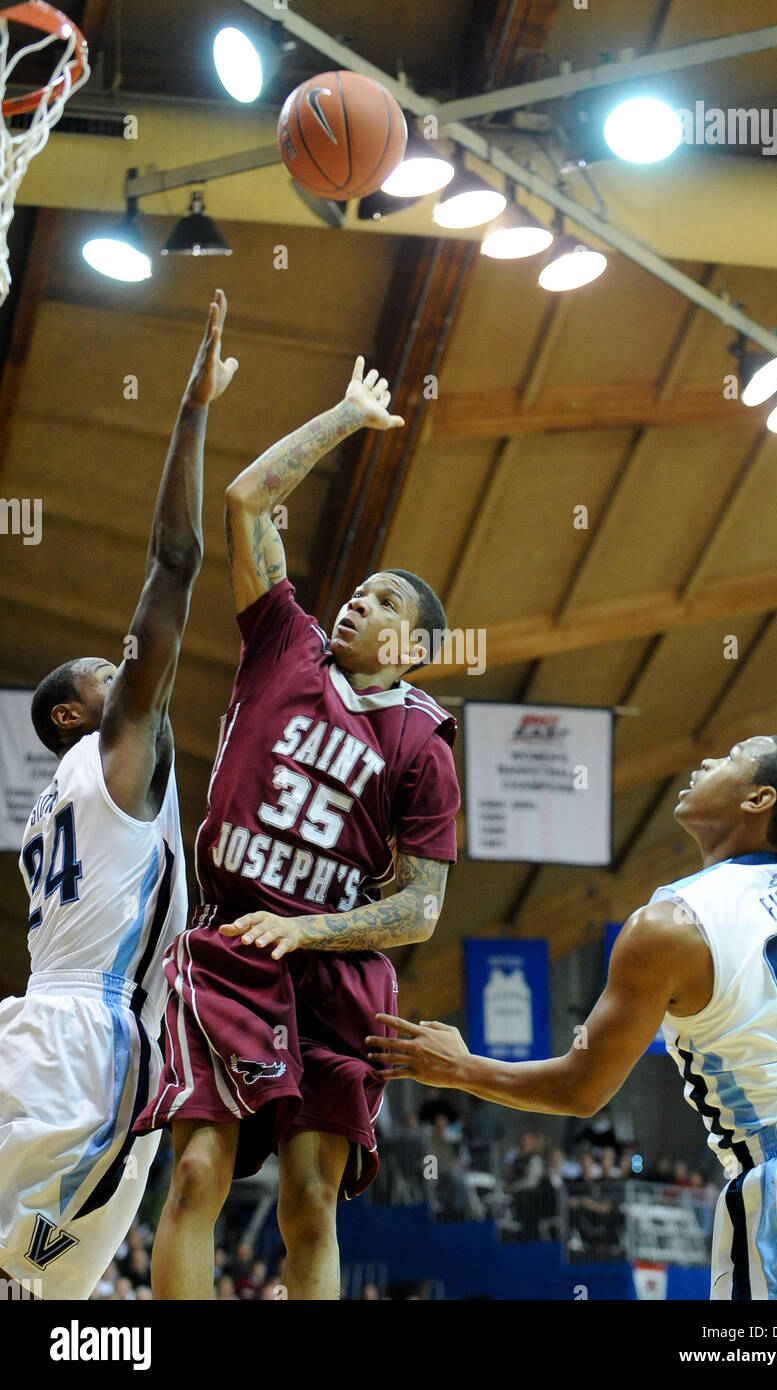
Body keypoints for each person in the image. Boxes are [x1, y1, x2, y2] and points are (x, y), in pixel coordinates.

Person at [135, 356, 461, 1301]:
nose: (359, 599)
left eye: (386, 601)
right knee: (195, 1174)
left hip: (333, 970)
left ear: (415, 645)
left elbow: (420, 909)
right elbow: (244, 499)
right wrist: (348, 417)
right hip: (236, 942)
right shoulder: (287, 641)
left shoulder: (423, 745)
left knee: (310, 1203)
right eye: (359, 589)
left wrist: (311, 930)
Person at [370, 735, 777, 1301]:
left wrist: (460, 1068)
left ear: (759, 800)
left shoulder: (671, 926)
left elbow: (580, 1089)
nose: (706, 760)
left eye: (731, 757)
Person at [0, 292, 237, 1300]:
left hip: (38, 1037)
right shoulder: (110, 749)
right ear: (71, 717)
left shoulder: (53, 807)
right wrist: (191, 412)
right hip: (92, 1053)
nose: (132, 669)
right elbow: (175, 563)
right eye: (110, 671)